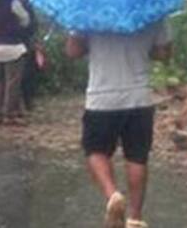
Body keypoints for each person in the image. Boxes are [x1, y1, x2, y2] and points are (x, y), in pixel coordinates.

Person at [65, 21, 172, 228]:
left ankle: (113, 195)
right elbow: (164, 54)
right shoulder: (152, 9)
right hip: (139, 98)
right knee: (137, 156)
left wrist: (90, 42)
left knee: (95, 151)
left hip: (101, 98)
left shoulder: (88, 9)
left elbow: (72, 51)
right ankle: (135, 218)